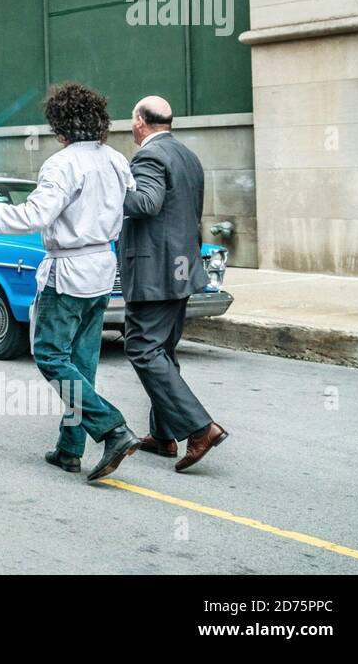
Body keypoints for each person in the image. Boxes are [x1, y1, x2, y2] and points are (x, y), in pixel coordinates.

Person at [0, 82, 139, 482]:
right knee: (82, 362)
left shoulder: (62, 163)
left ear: (60, 125)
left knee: (51, 356)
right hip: (101, 267)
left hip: (67, 272)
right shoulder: (117, 160)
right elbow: (129, 202)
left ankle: (112, 428)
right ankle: (70, 449)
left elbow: (34, 216)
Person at [121, 95, 228, 472]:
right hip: (181, 268)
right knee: (163, 350)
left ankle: (200, 429)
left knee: (143, 349)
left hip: (154, 271)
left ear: (139, 122)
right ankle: (164, 434)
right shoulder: (188, 156)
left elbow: (147, 203)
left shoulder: (148, 157)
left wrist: (113, 190)